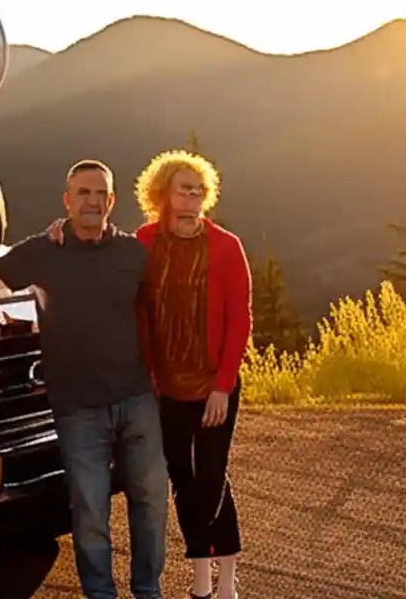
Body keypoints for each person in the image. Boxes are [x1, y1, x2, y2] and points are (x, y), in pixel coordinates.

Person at [47, 150, 252, 599]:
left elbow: (241, 320)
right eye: (184, 189)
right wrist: (59, 237)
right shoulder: (144, 242)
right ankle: (201, 582)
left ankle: (228, 582)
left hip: (215, 387)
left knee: (212, 478)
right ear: (163, 196)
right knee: (182, 479)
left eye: (198, 190)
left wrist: (222, 385)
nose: (192, 197)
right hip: (166, 388)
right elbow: (103, 253)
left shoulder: (226, 246)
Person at [0, 159, 169, 599]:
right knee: (91, 510)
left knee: (151, 503)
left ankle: (148, 591)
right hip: (77, 407)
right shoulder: (44, 250)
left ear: (112, 202)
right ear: (67, 200)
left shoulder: (133, 254)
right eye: (83, 193)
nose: (92, 201)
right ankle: (101, 595)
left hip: (137, 399)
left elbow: (162, 311)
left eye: (101, 194)